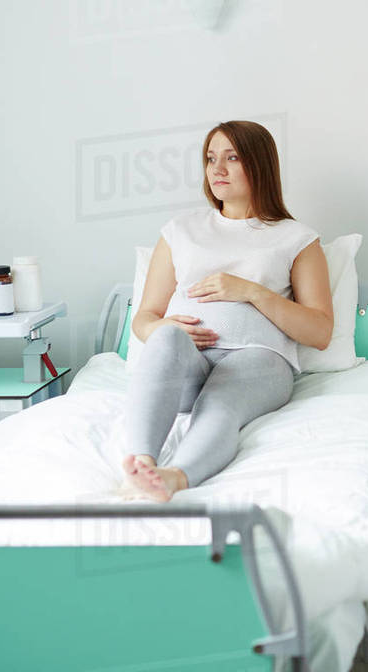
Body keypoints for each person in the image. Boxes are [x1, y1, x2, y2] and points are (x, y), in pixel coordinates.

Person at [122, 120, 332, 502]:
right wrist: (166, 329)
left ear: (260, 164)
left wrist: (250, 291)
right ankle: (141, 464)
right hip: (187, 362)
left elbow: (320, 332)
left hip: (259, 360)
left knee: (222, 402)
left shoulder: (297, 238)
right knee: (166, 337)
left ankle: (175, 477)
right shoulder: (179, 231)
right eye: (210, 158)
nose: (217, 169)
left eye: (232, 158)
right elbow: (144, 317)